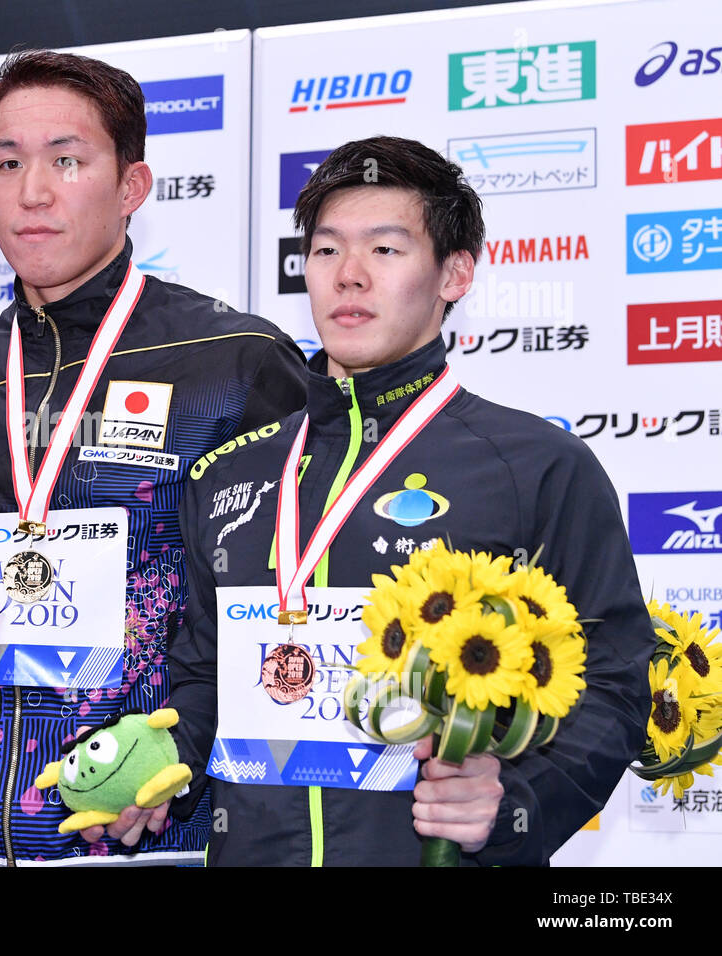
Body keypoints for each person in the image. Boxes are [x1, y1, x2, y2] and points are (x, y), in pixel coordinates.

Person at [168, 136, 652, 865]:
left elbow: (612, 682)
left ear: (454, 273)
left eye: (386, 251)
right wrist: (159, 761)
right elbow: (202, 674)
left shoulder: (536, 466)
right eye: (327, 252)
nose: (348, 277)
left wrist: (513, 802)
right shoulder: (232, 474)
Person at [0, 50, 308, 866]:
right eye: (7, 161)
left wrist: (178, 765)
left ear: (131, 187)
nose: (32, 191)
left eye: (68, 160)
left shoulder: (233, 363)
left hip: (151, 833)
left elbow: (279, 610)